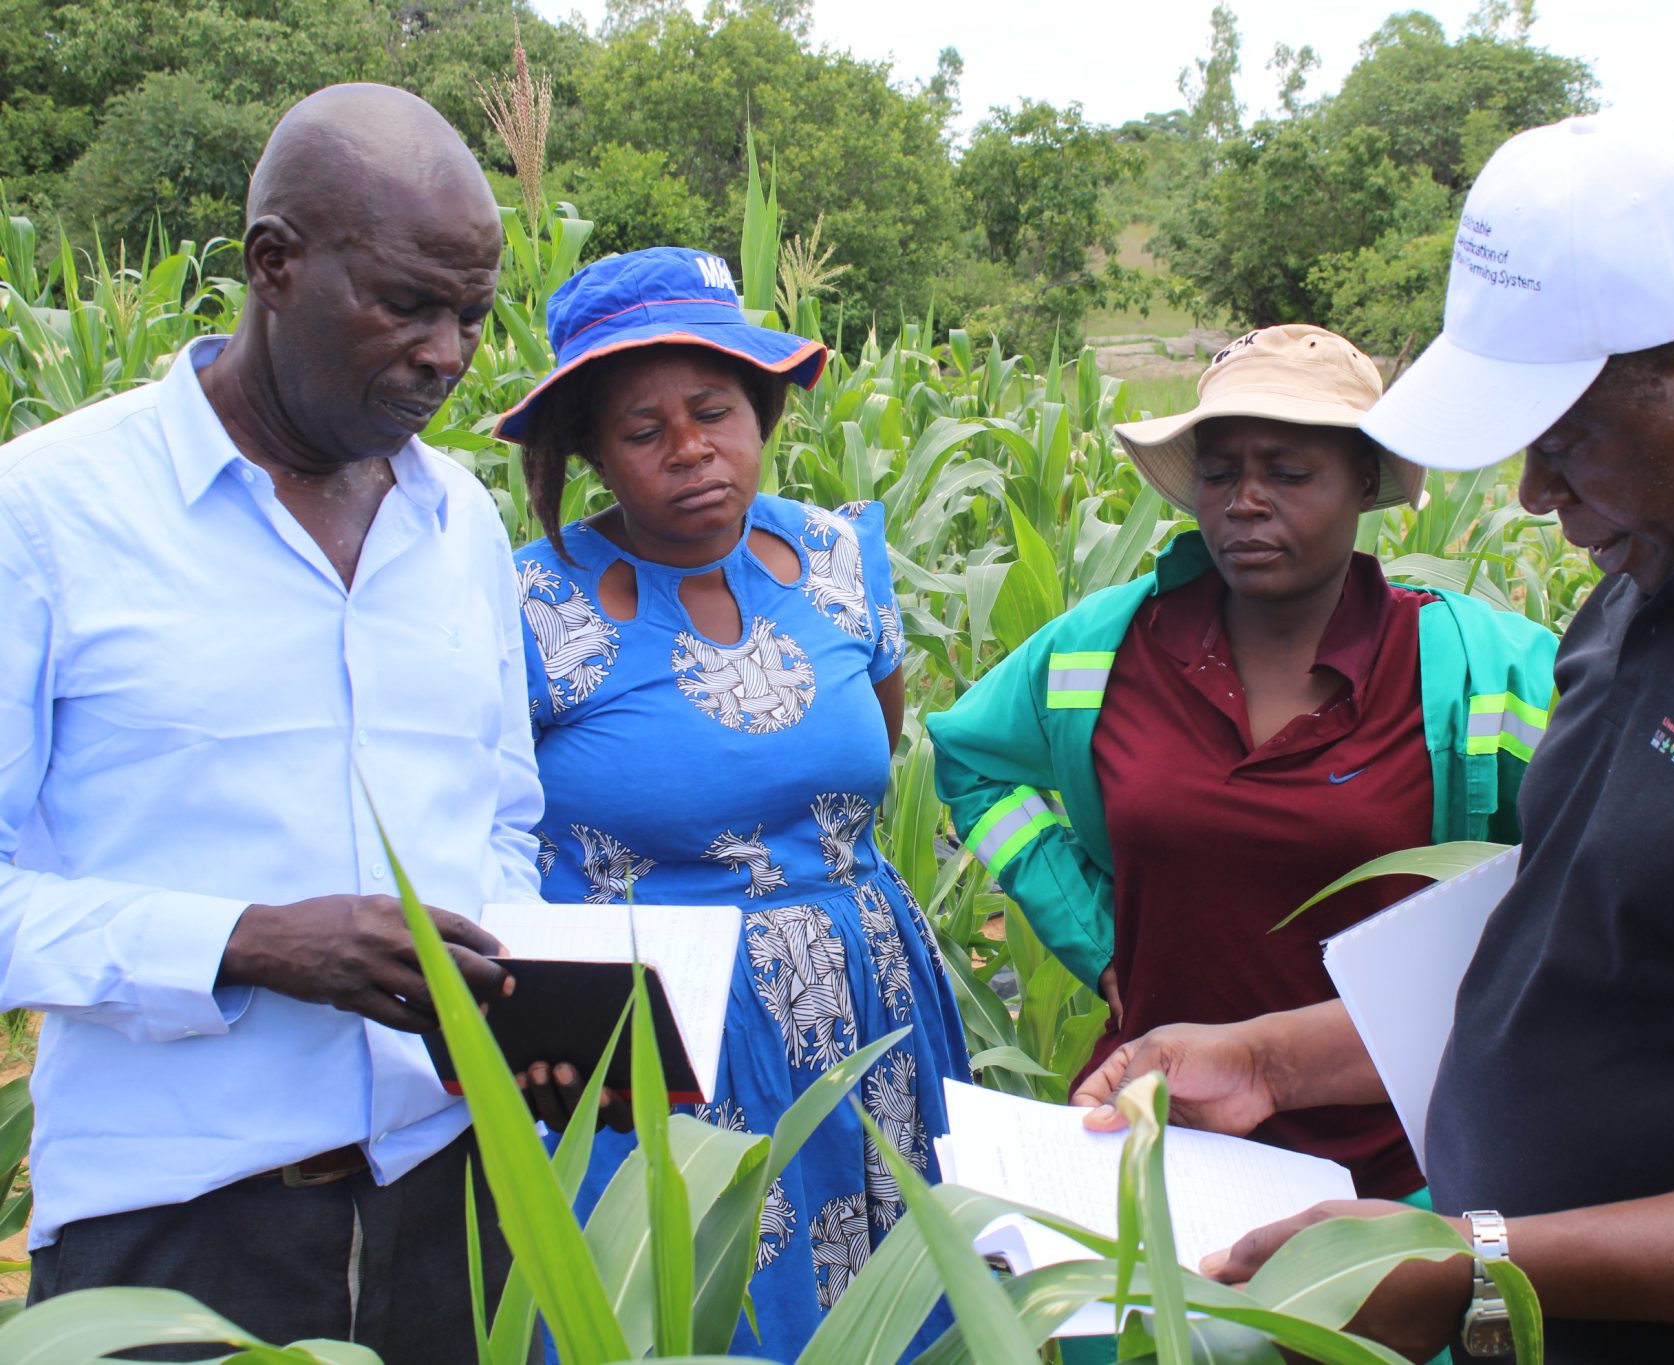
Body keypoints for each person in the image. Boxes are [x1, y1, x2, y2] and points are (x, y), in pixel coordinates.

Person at [1076, 117, 1674, 1365]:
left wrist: (1477, 1267)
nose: (1536, 493)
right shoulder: (1660, 567)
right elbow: (1580, 930)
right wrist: (1271, 1062)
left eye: (1567, 435)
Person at [0, 85, 543, 1362]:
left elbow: (503, 817)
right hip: (175, 1228)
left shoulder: (460, 521)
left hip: (453, 1204)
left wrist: (522, 1004)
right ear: (273, 265)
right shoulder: (46, 514)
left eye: (470, 315)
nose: (447, 354)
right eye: (405, 304)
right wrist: (241, 942)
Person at [928, 323, 1556, 1207]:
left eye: (1289, 472)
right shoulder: (1106, 649)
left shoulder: (1478, 670)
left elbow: (1591, 865)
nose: (1245, 501)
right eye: (1220, 472)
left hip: (1392, 1168)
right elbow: (968, 757)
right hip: (1151, 1131)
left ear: (1366, 478)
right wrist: (1101, 940)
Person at [492, 245, 973, 1362]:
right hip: (650, 1034)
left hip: (865, 1003)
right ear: (591, 455)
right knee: (687, 1309)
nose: (690, 450)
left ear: (762, 409)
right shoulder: (525, 602)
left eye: (714, 410)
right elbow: (486, 823)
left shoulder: (838, 557)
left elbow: (872, 748)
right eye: (641, 429)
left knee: (891, 1312)